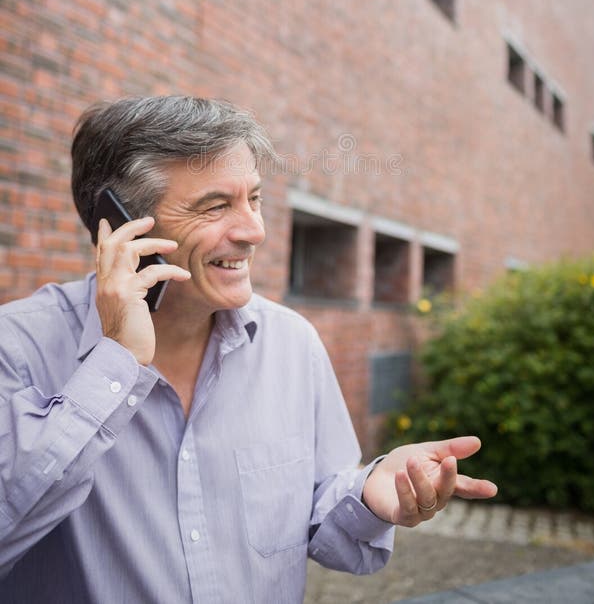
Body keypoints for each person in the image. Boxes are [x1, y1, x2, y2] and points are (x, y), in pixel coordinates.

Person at [0, 96, 497, 603]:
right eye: (215, 206)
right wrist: (115, 363)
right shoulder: (16, 349)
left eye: (253, 199)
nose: (253, 231)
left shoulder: (291, 344)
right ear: (119, 224)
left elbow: (319, 517)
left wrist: (368, 496)